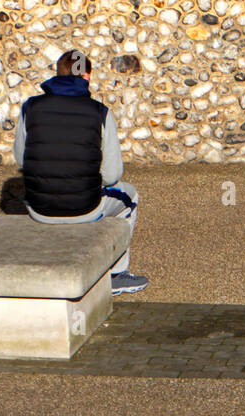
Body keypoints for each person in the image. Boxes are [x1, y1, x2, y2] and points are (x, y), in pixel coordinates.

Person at [12, 49, 148, 295]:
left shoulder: (30, 107)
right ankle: (117, 274)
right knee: (130, 197)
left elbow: (21, 157)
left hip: (39, 207)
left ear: (58, 74)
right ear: (86, 76)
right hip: (85, 207)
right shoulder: (100, 112)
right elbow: (112, 174)